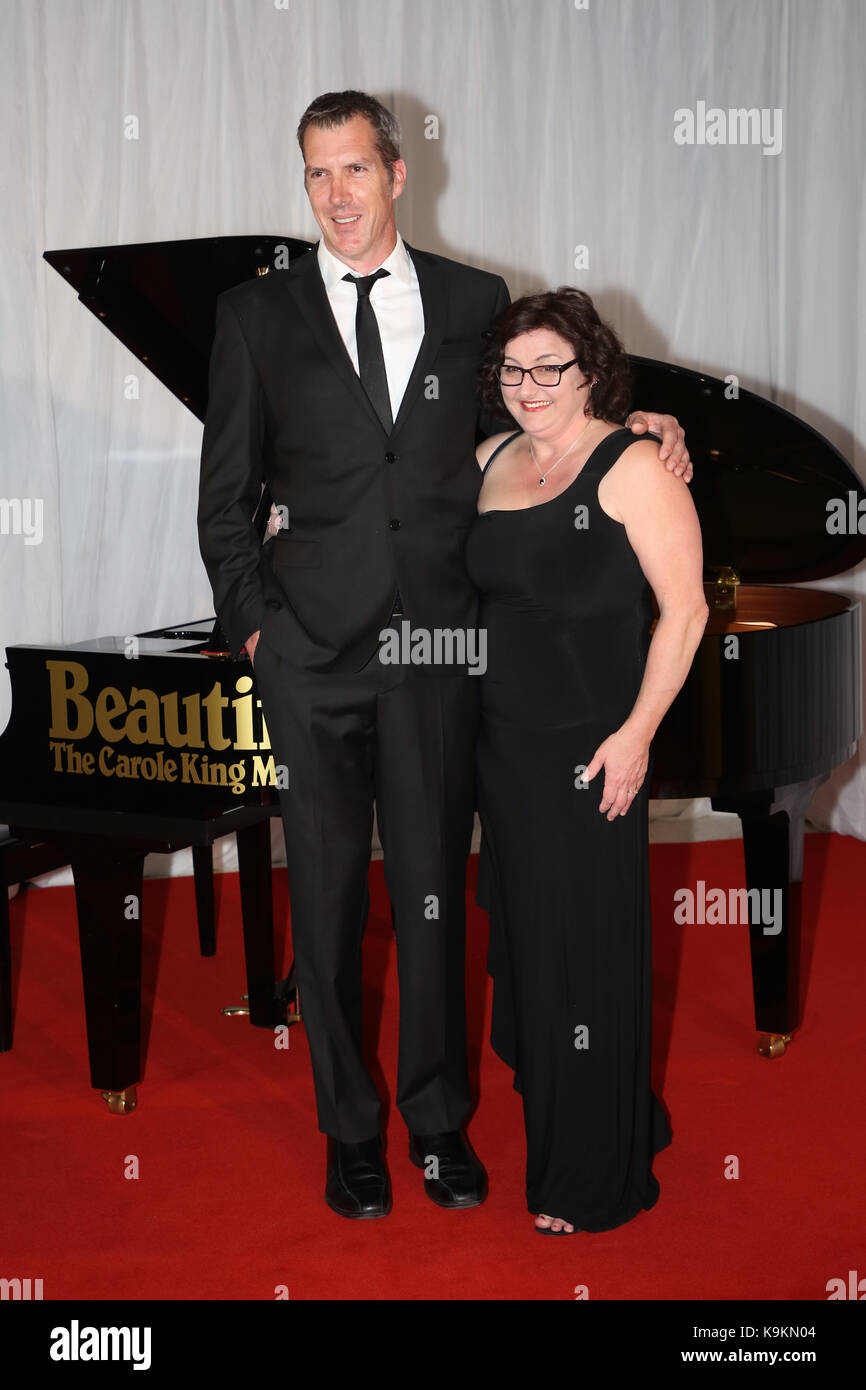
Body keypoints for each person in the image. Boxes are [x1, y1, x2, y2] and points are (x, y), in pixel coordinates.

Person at [197, 89, 692, 1220]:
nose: (335, 197)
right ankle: (349, 1132)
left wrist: (659, 423)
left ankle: (435, 1121)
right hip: (310, 660)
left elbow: (554, 386)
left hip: (438, 653)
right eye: (315, 174)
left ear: (398, 174)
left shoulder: (473, 301)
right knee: (323, 910)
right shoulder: (253, 315)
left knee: (431, 898)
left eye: (355, 171)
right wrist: (256, 631)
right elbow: (223, 502)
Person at [466, 287, 707, 1234]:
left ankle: (587, 1180)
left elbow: (685, 612)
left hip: (589, 752)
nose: (529, 386)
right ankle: (627, 1119)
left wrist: (637, 734)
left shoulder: (634, 464)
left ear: (590, 369)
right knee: (534, 952)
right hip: (502, 752)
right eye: (514, 369)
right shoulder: (489, 458)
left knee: (582, 961)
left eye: (550, 368)